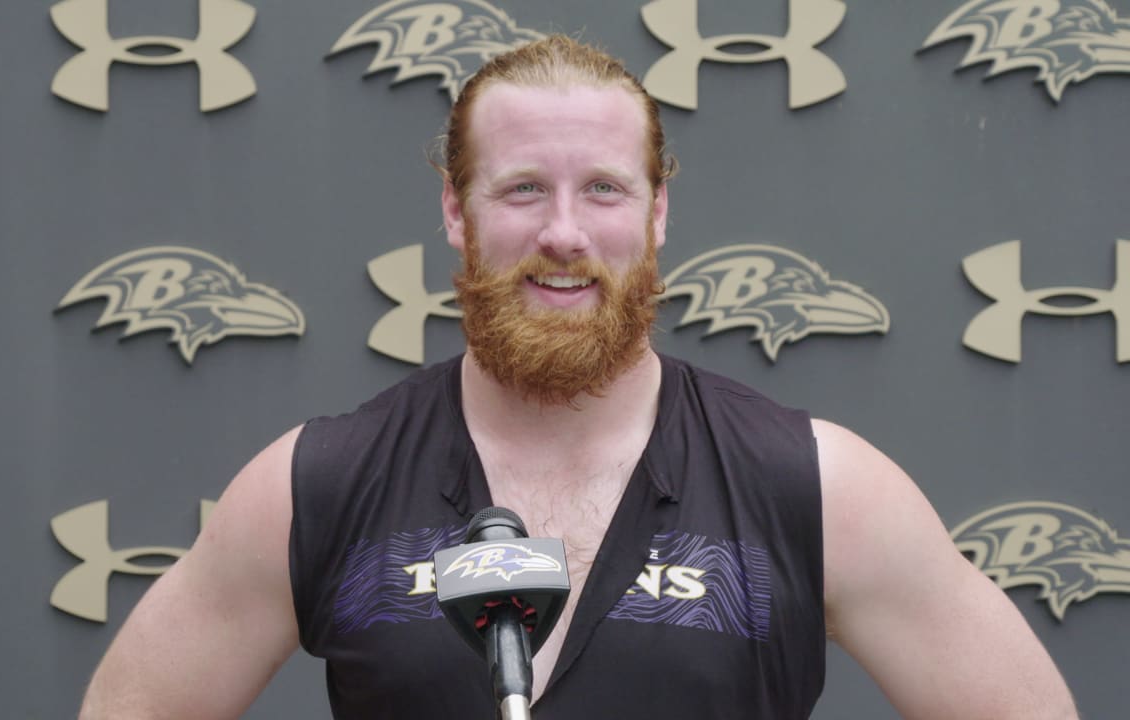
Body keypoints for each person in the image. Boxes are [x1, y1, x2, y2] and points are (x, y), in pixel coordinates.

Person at [79, 35, 1079, 719]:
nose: (563, 233)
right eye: (521, 189)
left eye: (602, 189)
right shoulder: (319, 484)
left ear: (653, 218)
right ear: (457, 214)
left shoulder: (813, 485)